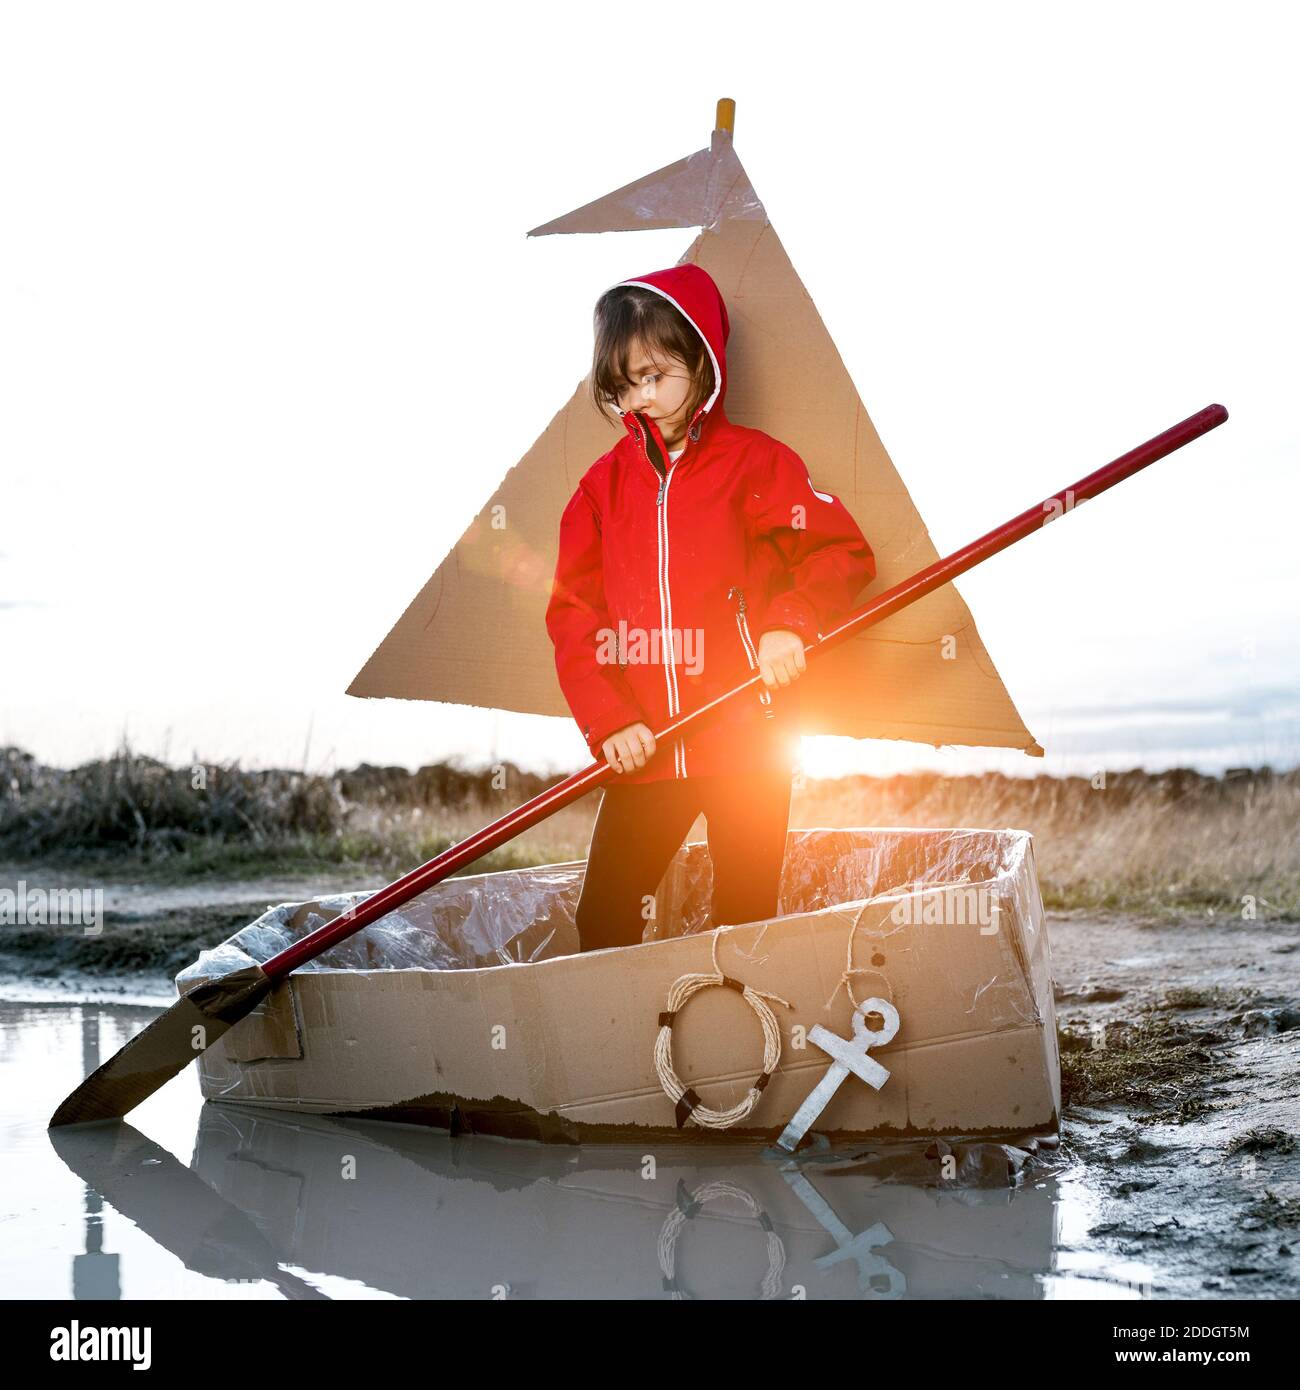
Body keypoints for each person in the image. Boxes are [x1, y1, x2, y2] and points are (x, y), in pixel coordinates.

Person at [545, 263, 875, 953]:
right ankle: (626, 1043)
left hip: (749, 742)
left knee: (747, 917)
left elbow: (840, 553)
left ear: (701, 361)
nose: (642, 395)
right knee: (604, 918)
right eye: (626, 381)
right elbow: (573, 615)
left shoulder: (757, 466)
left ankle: (742, 1045)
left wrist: (790, 624)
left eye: (656, 374)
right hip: (647, 751)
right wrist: (610, 721)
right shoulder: (600, 490)